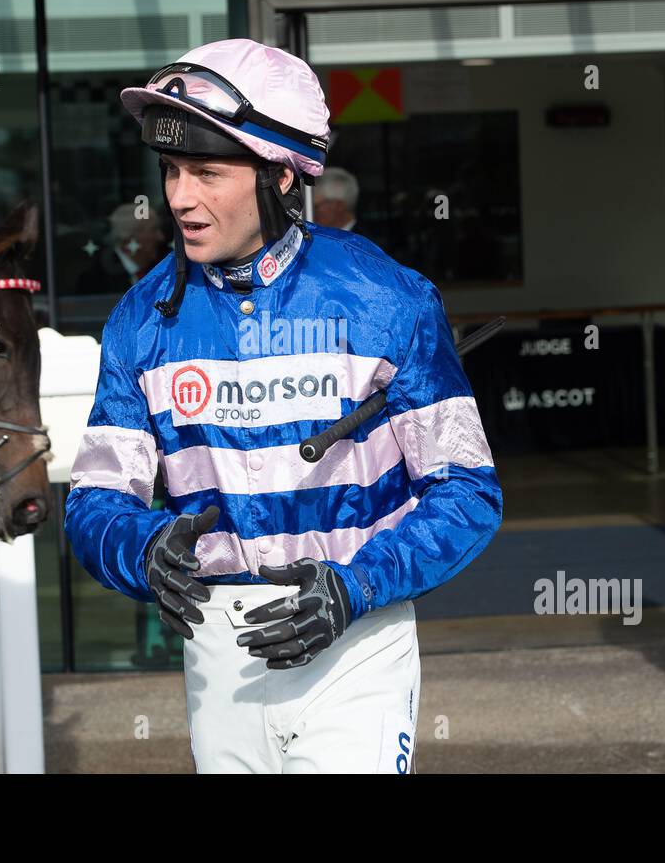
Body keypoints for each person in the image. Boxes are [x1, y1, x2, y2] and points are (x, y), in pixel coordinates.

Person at [64, 38, 502, 773]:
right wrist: (137, 547)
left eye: (206, 172)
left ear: (280, 176)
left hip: (355, 644)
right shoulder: (141, 320)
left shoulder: (387, 299)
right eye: (171, 171)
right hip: (217, 653)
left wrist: (356, 585)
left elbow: (467, 494)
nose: (178, 197)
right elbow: (95, 503)